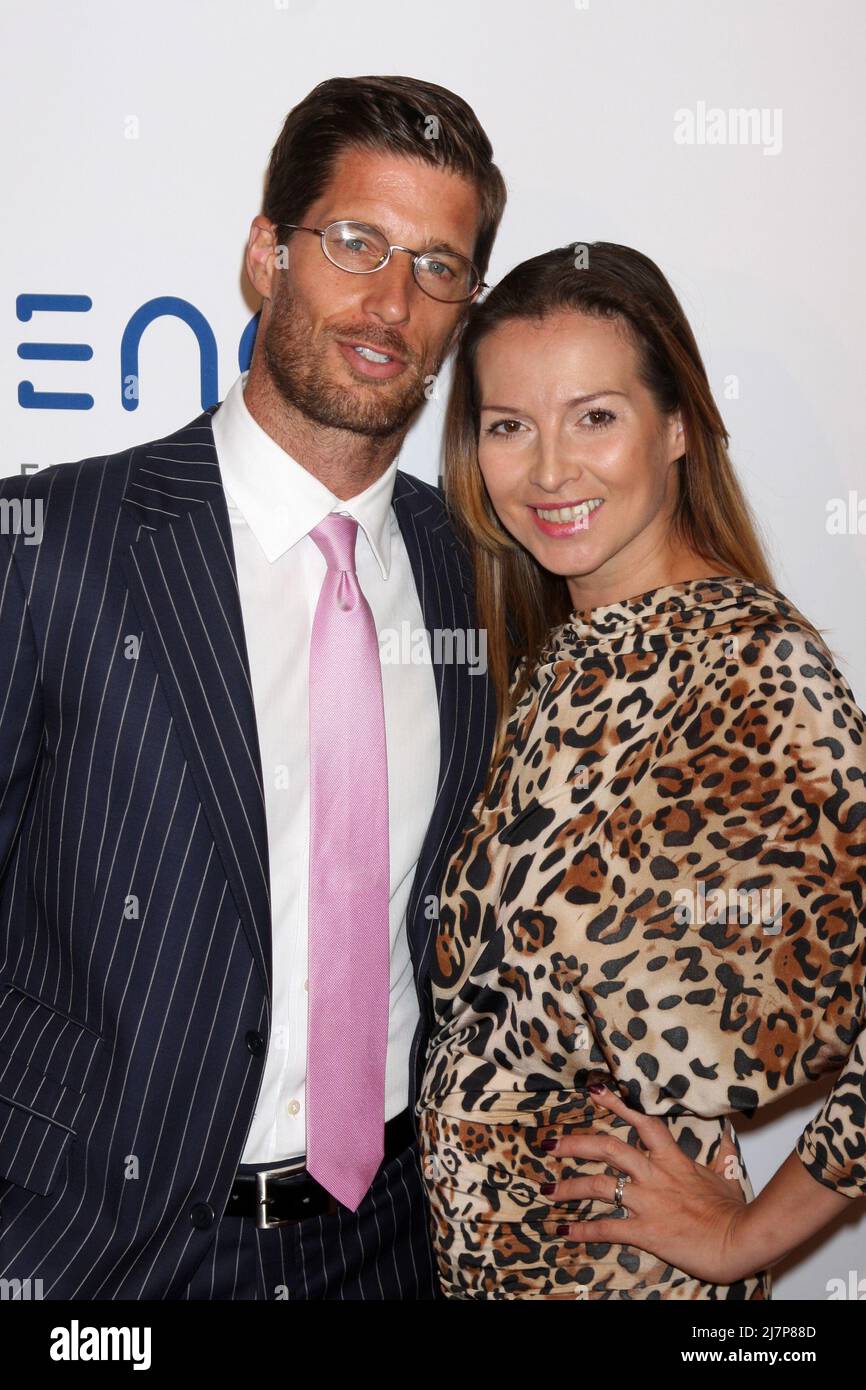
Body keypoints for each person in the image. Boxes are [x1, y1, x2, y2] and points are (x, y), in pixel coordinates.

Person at [0, 75, 506, 1299]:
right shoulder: (57, 544)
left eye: (438, 267)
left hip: (388, 1244)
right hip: (97, 1254)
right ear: (264, 255)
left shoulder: (480, 583)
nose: (391, 302)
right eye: (355, 243)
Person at [415, 241, 866, 1299]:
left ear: (674, 427)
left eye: (594, 416)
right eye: (508, 426)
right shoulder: (548, 660)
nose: (548, 470)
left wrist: (742, 1237)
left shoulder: (749, 658)